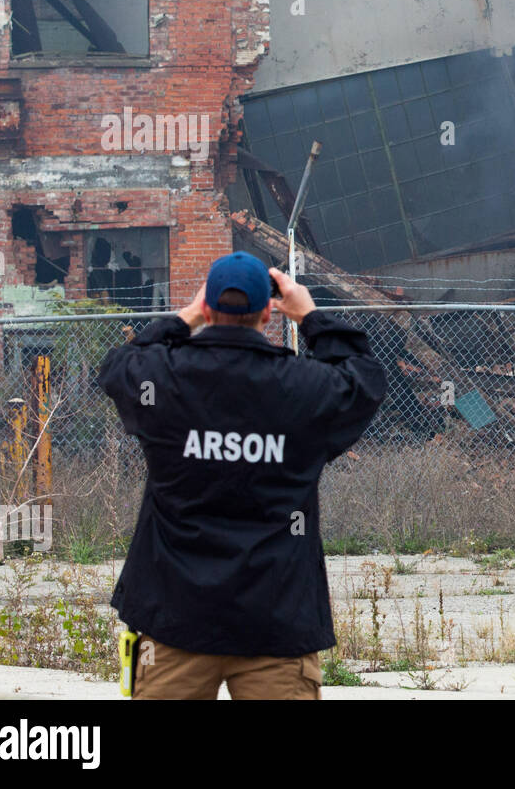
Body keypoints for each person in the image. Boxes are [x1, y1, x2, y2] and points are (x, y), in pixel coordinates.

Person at [97, 250, 387, 699]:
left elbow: (118, 367)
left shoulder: (163, 380)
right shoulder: (304, 388)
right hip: (275, 623)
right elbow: (364, 378)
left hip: (175, 621)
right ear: (271, 310)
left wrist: (185, 317)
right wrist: (310, 316)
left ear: (207, 308)